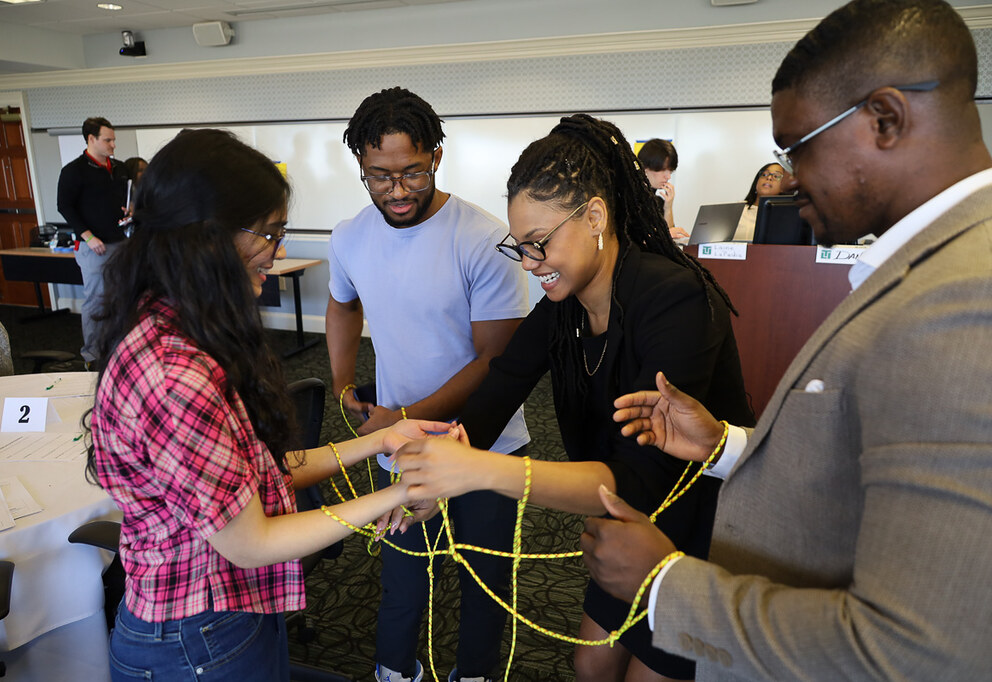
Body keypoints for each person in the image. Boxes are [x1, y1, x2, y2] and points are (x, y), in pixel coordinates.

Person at [580, 1, 992, 680]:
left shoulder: (963, 298)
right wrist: (725, 445)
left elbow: (915, 649)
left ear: (885, 119)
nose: (790, 180)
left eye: (798, 147)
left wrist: (665, 585)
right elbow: (858, 468)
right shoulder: (931, 267)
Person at [394, 114, 755, 682]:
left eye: (540, 244)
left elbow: (644, 478)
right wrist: (441, 464)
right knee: (591, 664)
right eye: (521, 248)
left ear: (594, 217)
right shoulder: (564, 308)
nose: (530, 263)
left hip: (703, 521)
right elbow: (502, 384)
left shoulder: (674, 300)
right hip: (629, 513)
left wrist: (478, 471)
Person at [85, 128, 451, 681]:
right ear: (209, 236)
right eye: (270, 234)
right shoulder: (176, 374)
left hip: (219, 617)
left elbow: (256, 474)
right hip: (196, 639)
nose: (277, 252)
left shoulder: (187, 328)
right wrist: (400, 493)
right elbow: (251, 542)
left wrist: (380, 440)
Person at [325, 87, 530, 682]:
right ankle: (394, 671)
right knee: (404, 572)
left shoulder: (483, 238)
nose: (396, 191)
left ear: (437, 156)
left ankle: (477, 673)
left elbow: (495, 359)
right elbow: (343, 305)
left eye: (412, 172)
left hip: (487, 443)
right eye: (379, 176)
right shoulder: (350, 236)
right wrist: (343, 384)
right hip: (402, 445)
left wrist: (403, 414)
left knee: (484, 577)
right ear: (361, 165)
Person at [56, 116, 130, 367]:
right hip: (94, 247)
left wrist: (129, 209)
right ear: (91, 139)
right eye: (108, 140)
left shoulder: (120, 168)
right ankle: (93, 356)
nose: (113, 145)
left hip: (121, 242)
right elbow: (64, 206)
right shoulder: (73, 171)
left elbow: (127, 198)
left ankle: (119, 349)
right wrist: (88, 236)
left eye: (113, 140)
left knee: (122, 298)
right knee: (97, 301)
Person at [636, 139, 689, 240]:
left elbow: (670, 239)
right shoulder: (630, 198)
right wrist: (663, 235)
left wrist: (668, 208)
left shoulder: (657, 201)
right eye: (663, 170)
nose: (668, 176)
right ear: (645, 168)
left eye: (670, 171)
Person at [731, 162, 785, 241]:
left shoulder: (786, 218)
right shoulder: (737, 210)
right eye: (764, 174)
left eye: (776, 176)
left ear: (784, 187)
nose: (769, 178)